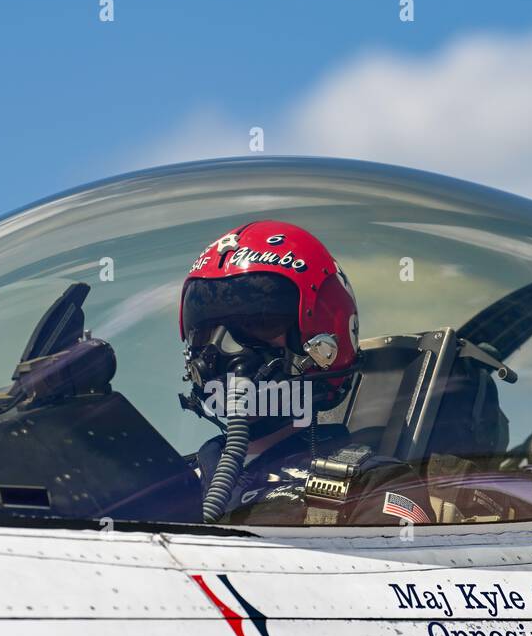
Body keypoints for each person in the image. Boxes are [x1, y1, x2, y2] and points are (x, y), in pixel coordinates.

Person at [178, 220, 432, 526]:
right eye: (207, 331)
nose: (226, 350)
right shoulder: (167, 483)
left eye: (260, 323)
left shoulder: (374, 488)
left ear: (320, 343)